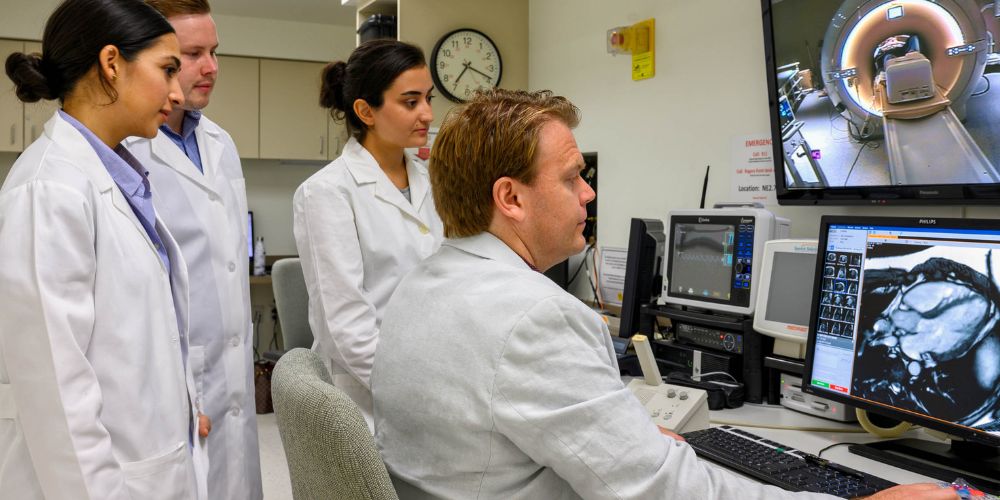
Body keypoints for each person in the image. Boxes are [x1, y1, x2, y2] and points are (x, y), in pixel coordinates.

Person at [370, 89, 959, 500]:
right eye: (573, 176)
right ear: (512, 198)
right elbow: (667, 491)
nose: (589, 195)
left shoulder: (423, 282)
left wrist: (630, 441)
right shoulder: (534, 317)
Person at [0, 0, 210, 498]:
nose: (178, 93)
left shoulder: (115, 176)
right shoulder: (50, 189)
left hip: (147, 461)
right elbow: (55, 389)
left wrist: (179, 403)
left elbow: (131, 340)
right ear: (111, 63)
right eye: (168, 70)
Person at [123, 1, 262, 498]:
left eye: (214, 52)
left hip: (231, 373)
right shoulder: (127, 148)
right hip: (173, 376)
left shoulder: (221, 142)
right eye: (192, 54)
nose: (211, 68)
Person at [292, 39, 442, 429]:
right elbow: (346, 328)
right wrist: (421, 391)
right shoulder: (327, 192)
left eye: (428, 98)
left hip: (435, 372)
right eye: (410, 102)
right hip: (368, 401)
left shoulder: (436, 181)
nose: (426, 113)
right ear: (365, 110)